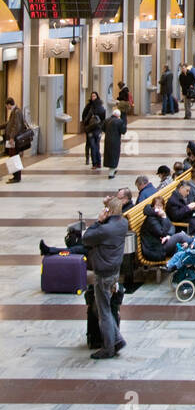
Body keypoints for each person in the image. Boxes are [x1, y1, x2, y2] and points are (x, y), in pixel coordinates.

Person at [81, 196, 129, 359]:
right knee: (104, 308)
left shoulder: (104, 229)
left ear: (108, 212)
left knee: (104, 312)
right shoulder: (123, 223)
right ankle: (117, 339)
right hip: (114, 270)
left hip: (103, 273)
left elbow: (86, 238)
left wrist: (98, 221)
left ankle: (109, 347)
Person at [4, 96, 28, 184]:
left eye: (7, 106)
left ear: (9, 104)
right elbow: (10, 123)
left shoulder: (16, 112)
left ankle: (17, 177)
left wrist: (11, 137)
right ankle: (15, 176)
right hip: (13, 139)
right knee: (13, 157)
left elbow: (16, 126)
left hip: (14, 140)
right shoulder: (15, 111)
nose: (7, 108)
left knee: (14, 157)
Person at [82, 91, 106, 170]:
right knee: (95, 146)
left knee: (93, 146)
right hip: (96, 130)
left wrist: (86, 126)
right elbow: (103, 120)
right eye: (92, 96)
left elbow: (85, 118)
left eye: (94, 96)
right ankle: (96, 162)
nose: (93, 98)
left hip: (91, 130)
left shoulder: (91, 108)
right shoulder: (101, 108)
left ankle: (95, 163)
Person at [102, 107, 127, 181]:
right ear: (118, 115)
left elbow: (102, 128)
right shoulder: (119, 121)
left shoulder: (107, 120)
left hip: (107, 140)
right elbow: (123, 131)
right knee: (114, 156)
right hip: (115, 141)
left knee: (109, 155)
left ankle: (113, 169)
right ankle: (111, 173)